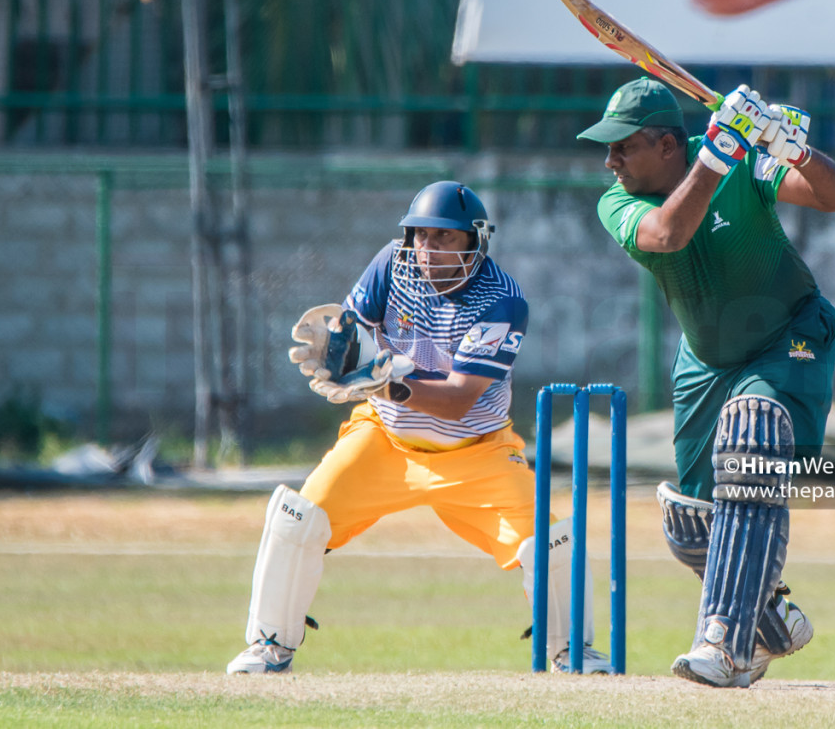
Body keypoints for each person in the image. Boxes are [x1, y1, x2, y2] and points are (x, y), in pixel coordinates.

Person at [226, 181, 611, 675]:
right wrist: (344, 349)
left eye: (444, 238)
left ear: (475, 241)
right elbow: (354, 328)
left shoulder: (502, 300)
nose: (427, 250)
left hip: (476, 451)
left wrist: (383, 385)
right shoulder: (391, 261)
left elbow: (457, 398)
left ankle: (573, 653)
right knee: (299, 518)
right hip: (385, 438)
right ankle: (269, 645)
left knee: (551, 542)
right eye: (420, 237)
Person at [578, 78, 835, 687]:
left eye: (622, 147)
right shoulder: (618, 202)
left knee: (751, 433)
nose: (610, 161)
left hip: (790, 336)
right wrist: (716, 154)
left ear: (664, 144)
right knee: (690, 526)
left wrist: (790, 148)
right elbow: (668, 235)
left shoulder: (742, 162)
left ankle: (724, 643)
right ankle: (771, 623)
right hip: (707, 363)